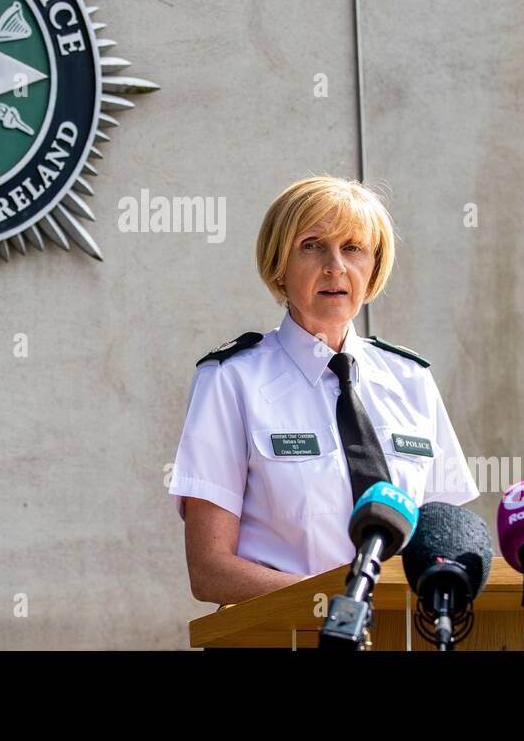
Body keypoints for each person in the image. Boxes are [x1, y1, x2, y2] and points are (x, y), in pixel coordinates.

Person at [168, 175, 480, 609]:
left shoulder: (411, 381)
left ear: (373, 268)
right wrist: (341, 605)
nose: (335, 266)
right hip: (285, 636)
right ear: (279, 264)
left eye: (353, 248)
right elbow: (209, 571)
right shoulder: (231, 381)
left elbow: (450, 544)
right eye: (312, 245)